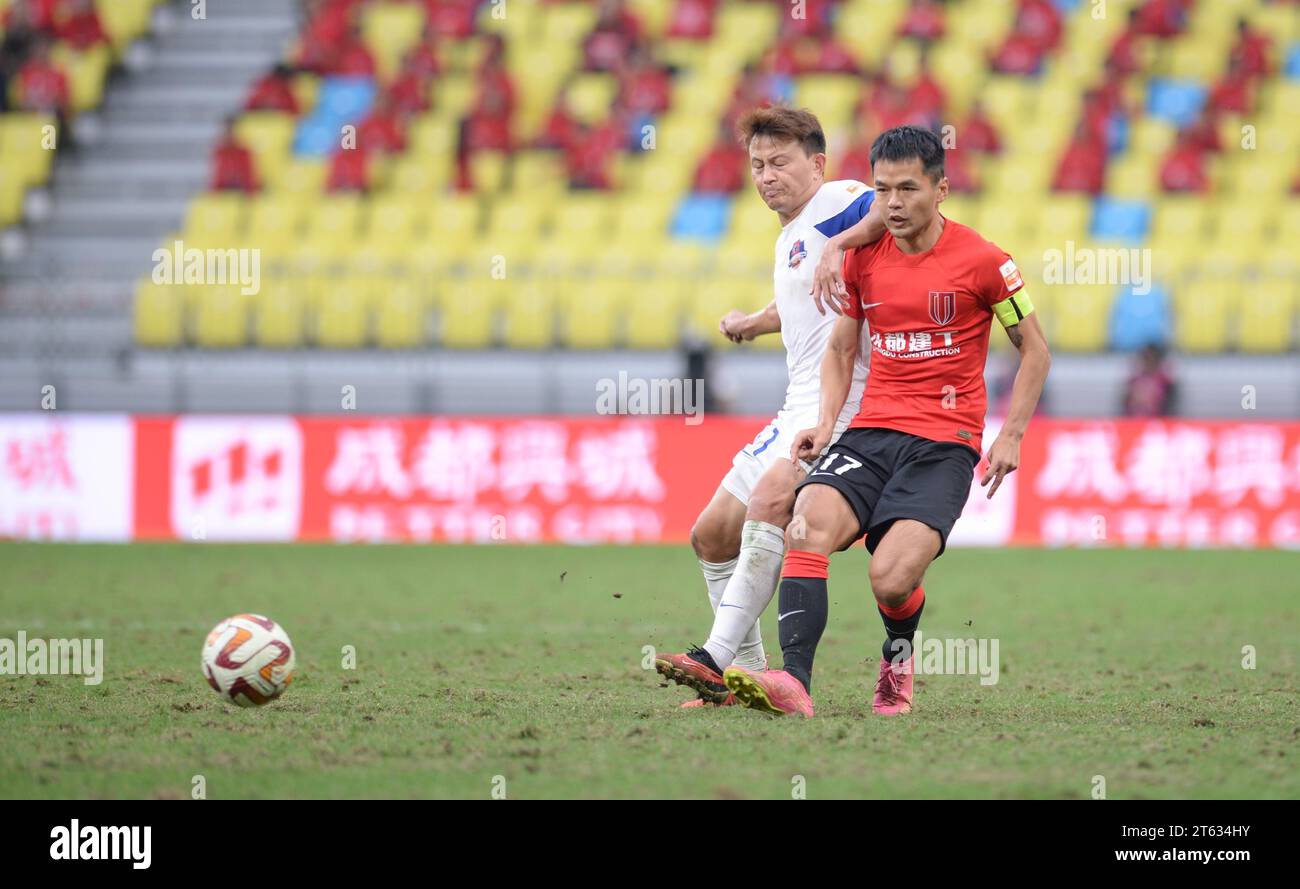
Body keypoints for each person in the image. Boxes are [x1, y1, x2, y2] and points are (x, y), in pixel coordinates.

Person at [722, 125, 1051, 717]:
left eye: (907, 189)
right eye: (882, 191)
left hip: (943, 444)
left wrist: (1011, 434)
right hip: (870, 432)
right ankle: (793, 682)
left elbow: (1035, 350)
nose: (894, 204)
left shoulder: (987, 263)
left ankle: (897, 660)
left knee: (890, 579)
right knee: (806, 523)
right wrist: (825, 425)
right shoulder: (863, 261)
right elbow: (842, 351)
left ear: (941, 189)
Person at [652, 106, 884, 707]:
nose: (766, 176)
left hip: (842, 402)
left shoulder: (841, 200)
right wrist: (755, 322)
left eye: (780, 162)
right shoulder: (789, 237)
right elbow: (808, 297)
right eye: (757, 165)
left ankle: (712, 658)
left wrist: (841, 242)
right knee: (710, 536)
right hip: (792, 404)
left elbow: (896, 210)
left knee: (770, 504)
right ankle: (741, 678)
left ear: (817, 163)